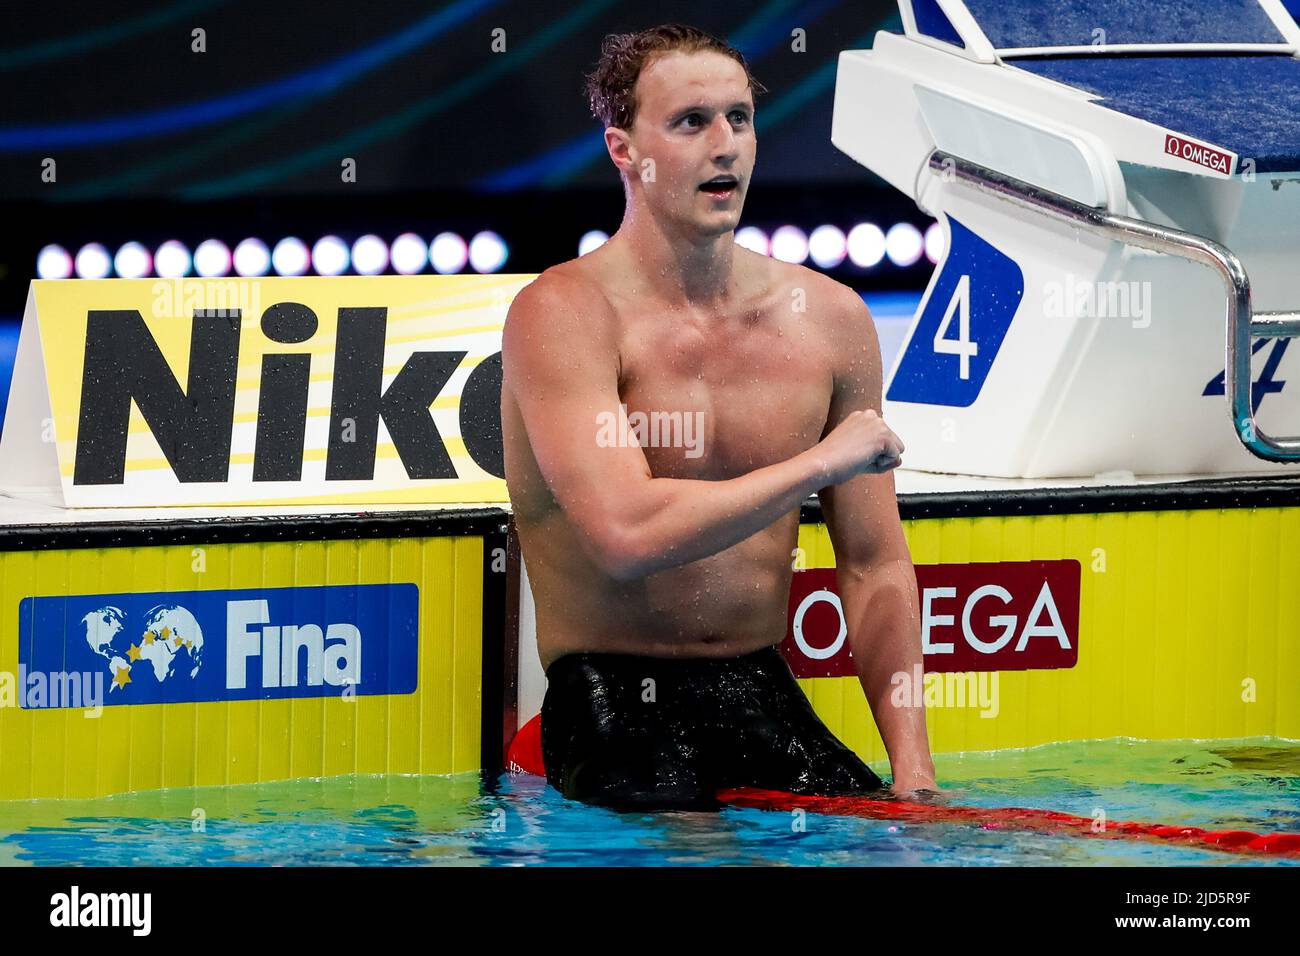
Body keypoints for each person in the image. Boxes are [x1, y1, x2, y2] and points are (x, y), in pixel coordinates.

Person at [501, 23, 937, 811]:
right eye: (691, 122)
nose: (725, 144)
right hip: (609, 697)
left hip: (756, 685)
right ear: (623, 150)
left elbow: (873, 565)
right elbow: (626, 536)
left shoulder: (829, 320)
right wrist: (819, 463)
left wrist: (915, 774)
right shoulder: (563, 313)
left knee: (884, 833)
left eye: (739, 118)